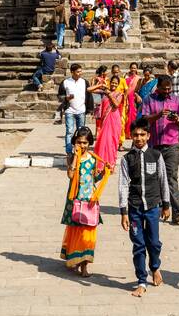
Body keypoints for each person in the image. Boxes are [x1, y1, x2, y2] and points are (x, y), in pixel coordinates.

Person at [117, 118, 170, 297]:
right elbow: (123, 185)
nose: (138, 138)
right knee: (139, 244)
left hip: (153, 207)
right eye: (135, 135)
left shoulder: (156, 156)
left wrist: (166, 204)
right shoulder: (127, 159)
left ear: (148, 135)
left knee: (154, 243)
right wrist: (123, 212)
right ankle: (141, 280)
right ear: (131, 136)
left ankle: (155, 267)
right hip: (135, 209)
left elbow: (163, 180)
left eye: (142, 134)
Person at [138, 74, 179, 224]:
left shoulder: (176, 100)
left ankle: (176, 211)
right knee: (155, 177)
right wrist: (158, 115)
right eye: (164, 89)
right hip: (154, 145)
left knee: (171, 178)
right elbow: (144, 119)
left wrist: (178, 119)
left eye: (169, 89)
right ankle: (157, 207)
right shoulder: (149, 99)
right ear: (157, 87)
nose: (167, 91)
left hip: (172, 144)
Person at [61, 128, 109, 276]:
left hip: (90, 200)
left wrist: (104, 172)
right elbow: (70, 175)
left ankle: (84, 266)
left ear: (90, 143)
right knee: (76, 231)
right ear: (74, 143)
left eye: (85, 142)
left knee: (88, 233)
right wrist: (76, 157)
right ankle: (75, 259)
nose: (82, 145)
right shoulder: (71, 158)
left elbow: (94, 178)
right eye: (79, 142)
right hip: (75, 199)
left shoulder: (93, 158)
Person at [94, 65, 126, 167]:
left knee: (112, 141)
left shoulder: (119, 94)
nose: (113, 84)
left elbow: (116, 105)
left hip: (114, 119)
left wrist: (109, 94)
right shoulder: (104, 91)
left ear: (118, 85)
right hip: (105, 119)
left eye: (116, 83)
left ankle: (111, 163)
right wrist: (100, 86)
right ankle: (101, 163)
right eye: (112, 82)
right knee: (103, 139)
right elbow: (89, 89)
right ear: (109, 82)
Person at [59, 63, 88, 156]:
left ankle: (80, 150)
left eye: (81, 71)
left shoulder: (84, 82)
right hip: (70, 110)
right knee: (70, 131)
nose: (80, 73)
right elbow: (60, 96)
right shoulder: (65, 82)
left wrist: (89, 109)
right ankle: (69, 151)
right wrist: (66, 98)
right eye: (78, 72)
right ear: (72, 72)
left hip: (81, 110)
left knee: (81, 132)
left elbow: (89, 96)